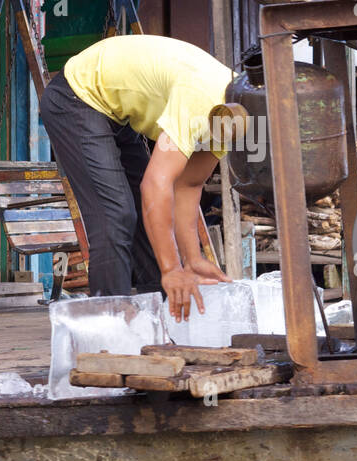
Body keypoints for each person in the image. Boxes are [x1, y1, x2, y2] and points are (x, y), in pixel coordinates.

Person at [40, 33, 234, 321]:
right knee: (115, 214)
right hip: (75, 97)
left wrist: (192, 260)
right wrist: (171, 269)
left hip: (115, 111)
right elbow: (155, 185)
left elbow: (188, 185)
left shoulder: (235, 118)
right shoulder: (204, 100)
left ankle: (155, 326)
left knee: (148, 220)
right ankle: (110, 328)